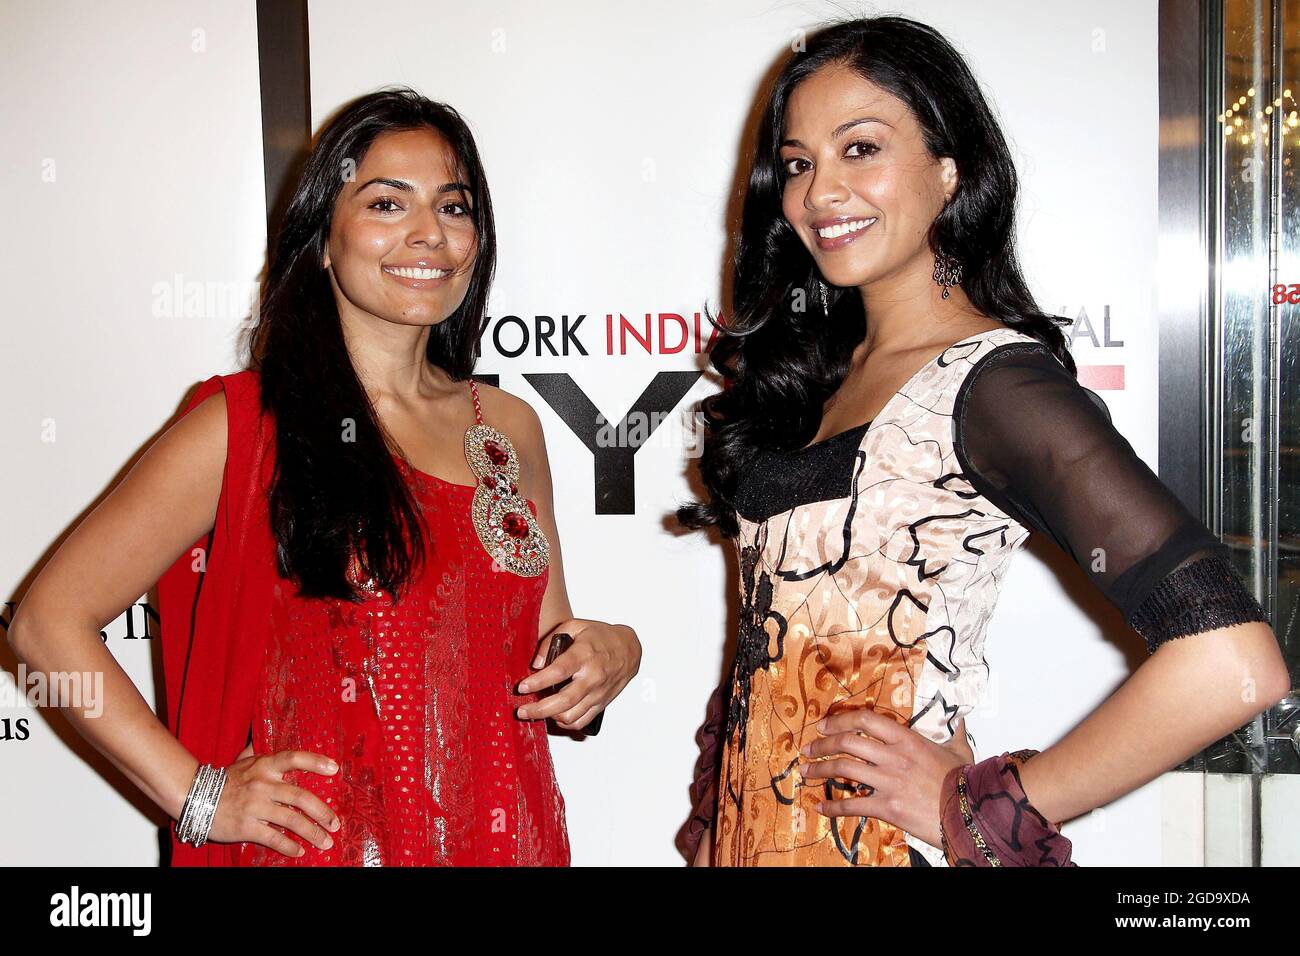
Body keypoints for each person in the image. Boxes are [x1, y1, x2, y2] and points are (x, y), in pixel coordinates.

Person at [675, 16, 1288, 867]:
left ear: (949, 168)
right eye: (798, 163)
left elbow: (1231, 663)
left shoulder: (993, 384)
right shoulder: (812, 379)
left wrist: (979, 804)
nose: (819, 194)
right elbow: (763, 652)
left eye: (861, 149)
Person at [7, 87, 641, 866]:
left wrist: (613, 653)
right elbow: (46, 623)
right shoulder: (245, 425)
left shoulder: (508, 427)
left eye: (454, 206)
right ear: (323, 239)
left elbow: (546, 656)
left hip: (510, 840)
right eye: (385, 204)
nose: (428, 235)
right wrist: (198, 796)